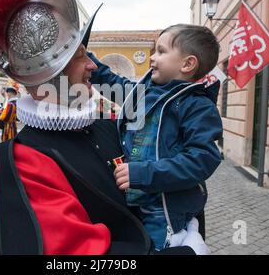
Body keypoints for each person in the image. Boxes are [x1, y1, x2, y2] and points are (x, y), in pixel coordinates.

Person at [0, 0, 207, 255]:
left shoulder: (110, 128)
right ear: (52, 75)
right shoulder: (17, 163)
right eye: (80, 57)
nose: (92, 66)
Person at [89, 24, 223, 250]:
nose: (152, 57)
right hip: (135, 203)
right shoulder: (143, 94)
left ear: (187, 64)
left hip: (163, 214)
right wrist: (81, 52)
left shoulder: (198, 107)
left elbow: (202, 159)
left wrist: (144, 174)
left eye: (161, 51)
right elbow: (112, 82)